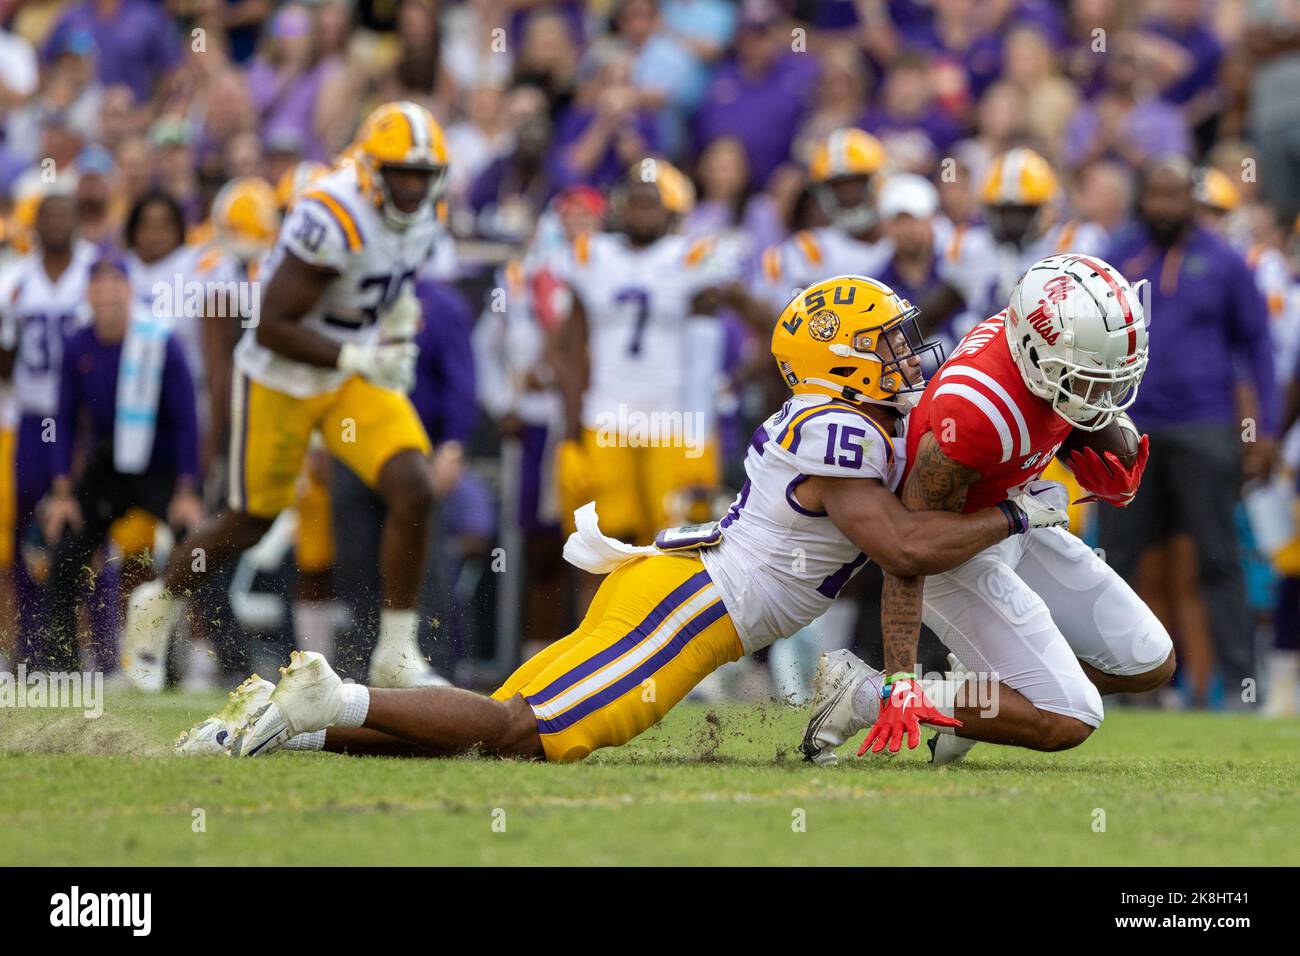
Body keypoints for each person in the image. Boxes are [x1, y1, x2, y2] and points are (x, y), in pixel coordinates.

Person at [174, 274, 1069, 761]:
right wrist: (1025, 512)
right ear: (840, 362)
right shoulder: (836, 427)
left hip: (676, 585)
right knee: (532, 735)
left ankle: (280, 725)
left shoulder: (854, 418)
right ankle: (338, 695)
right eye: (886, 345)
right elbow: (903, 545)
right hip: (692, 607)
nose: (908, 357)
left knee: (502, 724)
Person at [119, 101, 449, 691]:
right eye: (400, 173)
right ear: (372, 168)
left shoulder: (424, 215)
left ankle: (396, 652)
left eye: (422, 176)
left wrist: (397, 335)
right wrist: (360, 355)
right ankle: (157, 598)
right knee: (251, 519)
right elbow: (271, 325)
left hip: (347, 375)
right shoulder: (331, 213)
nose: (411, 187)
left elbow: (397, 282)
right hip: (280, 375)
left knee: (413, 487)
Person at [802, 254, 1177, 765]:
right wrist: (901, 679)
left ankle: (985, 701)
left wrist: (1088, 447)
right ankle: (862, 696)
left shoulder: (1043, 344)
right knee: (1070, 717)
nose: (1103, 393)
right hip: (950, 549)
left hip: (1012, 514)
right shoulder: (978, 411)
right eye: (1089, 376)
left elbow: (1061, 411)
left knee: (1148, 660)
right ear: (1037, 354)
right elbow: (907, 549)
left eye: (1109, 375)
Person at [1098, 157, 1276, 707]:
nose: (1165, 207)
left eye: (1175, 196)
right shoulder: (1117, 256)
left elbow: (1258, 346)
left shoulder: (1225, 262)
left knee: (1217, 558)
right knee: (1118, 561)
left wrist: (1263, 427)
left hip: (1204, 425)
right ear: (1142, 197)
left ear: (1192, 199)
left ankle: (1243, 688)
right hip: (1128, 426)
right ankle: (1125, 690)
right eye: (1156, 195)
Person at [41, 250, 202, 671]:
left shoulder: (160, 340)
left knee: (200, 546)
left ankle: (230, 658)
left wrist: (187, 489)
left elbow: (186, 418)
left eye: (116, 283)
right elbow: (61, 419)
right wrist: (63, 491)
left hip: (160, 462)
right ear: (89, 293)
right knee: (67, 548)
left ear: (130, 291)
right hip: (108, 464)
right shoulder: (78, 343)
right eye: (99, 284)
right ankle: (59, 663)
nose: (107, 293)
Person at [0, 194, 95, 666]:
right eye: (48, 215)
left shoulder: (94, 272)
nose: (57, 222)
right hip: (33, 416)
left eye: (64, 213)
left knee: (90, 524)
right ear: (35, 224)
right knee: (23, 530)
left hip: (82, 421)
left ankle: (99, 644)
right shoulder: (15, 278)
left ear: (76, 221)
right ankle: (32, 645)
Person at [755, 128, 891, 310]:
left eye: (856, 184)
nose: (848, 195)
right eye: (838, 187)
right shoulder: (808, 251)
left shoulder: (918, 233)